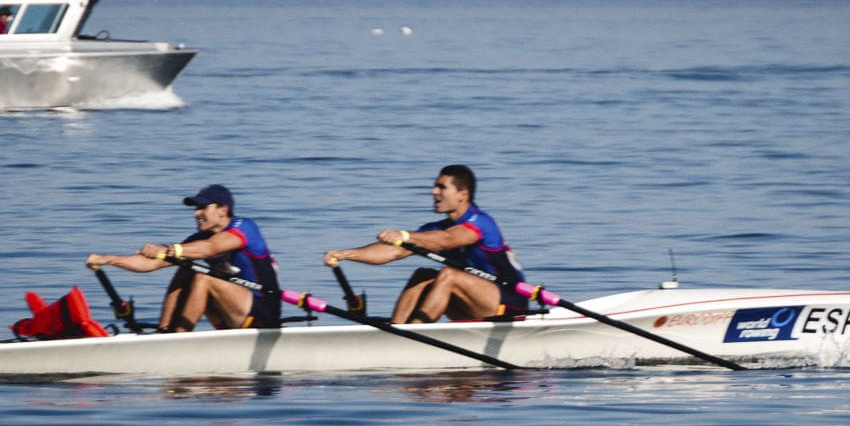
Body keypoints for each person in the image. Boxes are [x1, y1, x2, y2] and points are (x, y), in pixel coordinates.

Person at [324, 164, 527, 323]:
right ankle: (397, 330)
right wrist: (345, 254)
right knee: (423, 275)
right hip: (476, 302)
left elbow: (448, 240)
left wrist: (404, 235)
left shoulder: (481, 222)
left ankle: (415, 332)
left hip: (510, 303)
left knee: (448, 275)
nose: (433, 191)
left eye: (442, 187)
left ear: (462, 194)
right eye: (435, 186)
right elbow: (392, 252)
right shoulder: (436, 228)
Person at [85, 184, 280, 332]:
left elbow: (211, 248)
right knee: (185, 268)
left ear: (223, 210)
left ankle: (180, 336)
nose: (197, 213)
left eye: (203, 207)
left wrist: (169, 250)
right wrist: (108, 260)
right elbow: (150, 262)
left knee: (204, 277)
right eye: (195, 208)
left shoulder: (244, 227)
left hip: (263, 312)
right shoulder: (199, 239)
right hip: (233, 312)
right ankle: (165, 332)